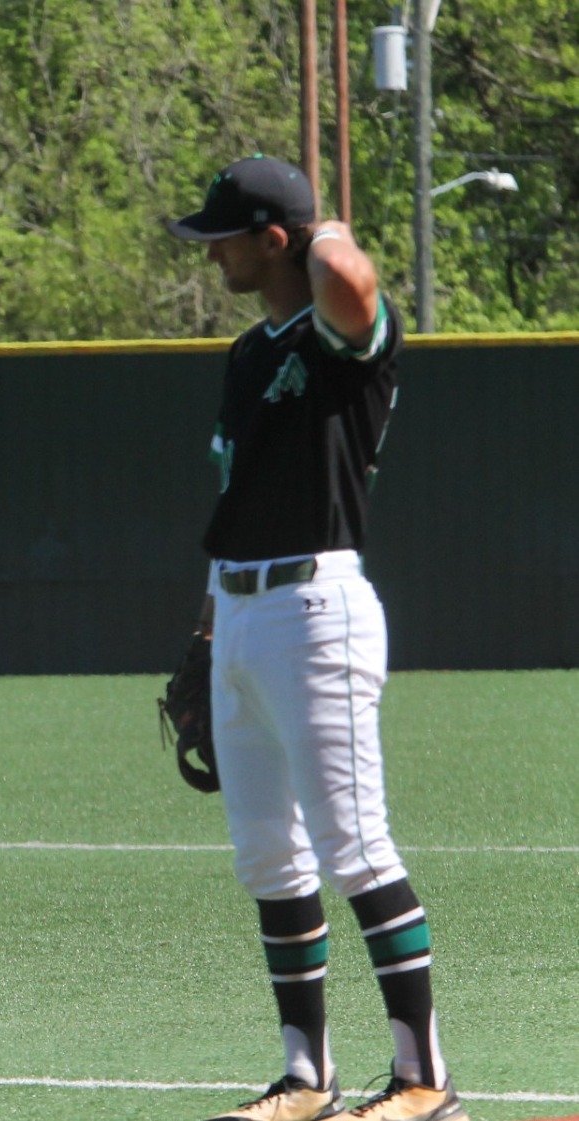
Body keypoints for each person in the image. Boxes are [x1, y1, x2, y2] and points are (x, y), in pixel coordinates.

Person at [166, 155, 465, 1121]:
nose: (211, 251)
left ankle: (423, 1081)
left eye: (226, 235)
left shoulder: (347, 343)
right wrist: (206, 637)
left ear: (274, 240)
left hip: (316, 607)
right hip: (244, 611)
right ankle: (305, 1079)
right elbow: (231, 502)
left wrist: (322, 224)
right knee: (269, 856)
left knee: (354, 845)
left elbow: (352, 282)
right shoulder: (248, 354)